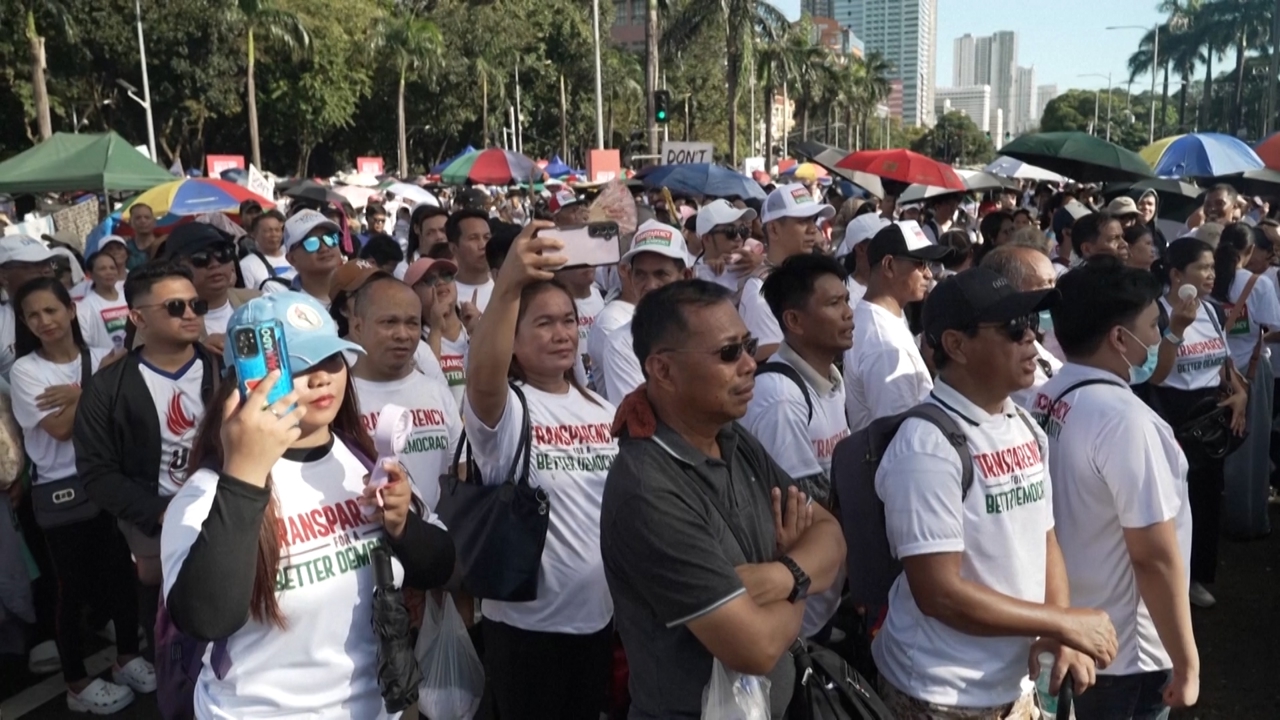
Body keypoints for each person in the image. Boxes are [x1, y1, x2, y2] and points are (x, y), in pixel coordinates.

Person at [161, 291, 454, 717]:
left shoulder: (364, 462)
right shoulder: (207, 493)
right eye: (297, 366)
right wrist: (243, 477)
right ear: (244, 381)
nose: (322, 378)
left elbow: (440, 567)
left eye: (331, 359)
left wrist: (403, 527)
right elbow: (206, 619)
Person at [874, 267, 1114, 718]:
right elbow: (939, 593)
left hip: (1011, 683)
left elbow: (1045, 540)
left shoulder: (1021, 423)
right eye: (1012, 328)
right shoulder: (926, 447)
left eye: (1032, 325)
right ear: (956, 345)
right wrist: (1062, 621)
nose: (1031, 340)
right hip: (943, 693)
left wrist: (1058, 629)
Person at [601, 279, 846, 718]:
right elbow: (755, 647)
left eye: (748, 344)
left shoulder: (733, 439)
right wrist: (805, 575)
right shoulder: (648, 491)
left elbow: (831, 535)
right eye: (729, 353)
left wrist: (782, 576)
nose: (751, 364)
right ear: (663, 370)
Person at [1033, 257, 1201, 717]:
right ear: (1118, 338)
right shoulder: (1128, 423)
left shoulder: (1046, 395)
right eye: (1151, 325)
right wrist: (1186, 662)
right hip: (1125, 653)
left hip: (1073, 631)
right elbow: (1153, 556)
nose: (1157, 337)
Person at [464, 221, 618, 719]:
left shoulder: (603, 409)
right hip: (526, 634)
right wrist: (507, 284)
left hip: (599, 625)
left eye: (569, 321)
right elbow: (483, 378)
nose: (562, 334)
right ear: (512, 336)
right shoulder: (507, 409)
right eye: (544, 323)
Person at [10, 277, 151, 714]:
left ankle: (128, 657)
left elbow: (120, 413)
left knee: (122, 577)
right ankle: (76, 683)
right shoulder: (26, 370)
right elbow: (61, 428)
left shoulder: (100, 356)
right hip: (60, 490)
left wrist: (75, 395)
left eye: (51, 310)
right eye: (32, 315)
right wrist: (94, 388)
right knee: (71, 589)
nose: (43, 321)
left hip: (110, 479)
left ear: (70, 311)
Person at [75, 261, 214, 669]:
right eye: (175, 306)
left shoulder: (225, 368)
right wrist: (160, 514)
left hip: (227, 516)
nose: (190, 314)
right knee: (172, 646)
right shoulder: (108, 387)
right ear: (137, 317)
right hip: (156, 527)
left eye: (196, 304)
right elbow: (97, 473)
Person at [741, 254, 852, 640]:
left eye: (847, 300)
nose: (848, 314)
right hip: (791, 614)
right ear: (793, 321)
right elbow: (802, 503)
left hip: (821, 599)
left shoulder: (833, 381)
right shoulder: (780, 397)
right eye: (833, 304)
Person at [1144, 238, 1245, 612]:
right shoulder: (1155, 312)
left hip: (1210, 415)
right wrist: (1175, 331)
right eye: (1202, 268)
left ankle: (1196, 576)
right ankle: (1168, 577)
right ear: (1175, 274)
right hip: (1171, 414)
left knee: (1205, 499)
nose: (1210, 275)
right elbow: (1154, 376)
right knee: (1170, 501)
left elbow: (1224, 360)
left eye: (1212, 268)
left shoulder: (1213, 310)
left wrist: (1239, 392)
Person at [350, 275, 461, 508]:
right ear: (358, 327)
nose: (402, 334)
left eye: (412, 323)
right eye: (389, 322)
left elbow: (460, 470)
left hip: (434, 538)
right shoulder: (342, 400)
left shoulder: (438, 394)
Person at [844, 221, 949, 432]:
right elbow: (900, 433)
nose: (928, 274)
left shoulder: (885, 317)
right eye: (920, 263)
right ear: (889, 266)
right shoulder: (884, 345)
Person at [1211, 224, 1279, 542]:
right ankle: (1248, 519)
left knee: (1212, 442)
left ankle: (1211, 514)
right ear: (1249, 251)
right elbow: (1273, 328)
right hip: (1251, 373)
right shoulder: (1259, 284)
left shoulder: (1208, 279)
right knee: (1250, 448)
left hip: (1213, 371)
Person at [601, 219, 694, 405]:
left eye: (661, 274)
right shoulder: (621, 344)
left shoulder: (708, 330)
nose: (650, 285)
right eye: (641, 274)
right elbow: (640, 416)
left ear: (685, 276)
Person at [740, 183, 835, 361]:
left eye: (813, 220)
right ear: (774, 229)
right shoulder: (760, 294)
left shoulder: (807, 276)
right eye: (802, 221)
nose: (813, 229)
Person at [981, 245, 1064, 409]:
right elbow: (1049, 399)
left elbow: (1060, 374)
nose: (1052, 290)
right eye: (1044, 283)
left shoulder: (1027, 333)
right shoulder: (1002, 344)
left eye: (1054, 281)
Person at [161, 222, 260, 353]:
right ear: (177, 267)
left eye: (223, 254)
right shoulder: (161, 317)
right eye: (201, 258)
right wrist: (197, 353)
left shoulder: (258, 302)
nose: (215, 264)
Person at [405, 257, 468, 406]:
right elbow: (426, 387)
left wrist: (479, 332)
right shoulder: (411, 342)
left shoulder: (474, 329)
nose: (440, 282)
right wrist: (436, 330)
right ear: (412, 293)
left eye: (446, 275)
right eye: (429, 279)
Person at [0, 235, 57, 379]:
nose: (45, 270)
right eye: (32, 265)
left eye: (47, 262)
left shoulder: (72, 309)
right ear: (3, 275)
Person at [693, 199, 759, 296]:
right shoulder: (695, 278)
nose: (739, 238)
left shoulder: (754, 263)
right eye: (730, 231)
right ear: (707, 238)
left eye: (742, 230)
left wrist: (762, 265)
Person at [280, 208, 344, 305]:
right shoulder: (289, 307)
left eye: (330, 238)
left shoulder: (359, 292)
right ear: (292, 259)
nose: (324, 248)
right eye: (311, 243)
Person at [76, 251, 129, 351]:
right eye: (102, 269)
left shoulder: (129, 297)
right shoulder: (84, 307)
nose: (109, 272)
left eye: (112, 268)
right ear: (89, 274)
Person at [447, 209, 495, 313]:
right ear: (453, 248)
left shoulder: (505, 291)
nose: (483, 245)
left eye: (487, 237)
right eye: (473, 238)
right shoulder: (446, 294)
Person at [239, 210, 295, 291]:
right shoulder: (246, 265)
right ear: (254, 234)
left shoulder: (294, 258)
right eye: (267, 231)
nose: (274, 235)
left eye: (277, 230)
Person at [125, 204, 161, 270]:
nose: (143, 221)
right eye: (138, 218)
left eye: (147, 217)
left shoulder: (163, 245)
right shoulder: (125, 248)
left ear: (154, 222)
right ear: (130, 223)